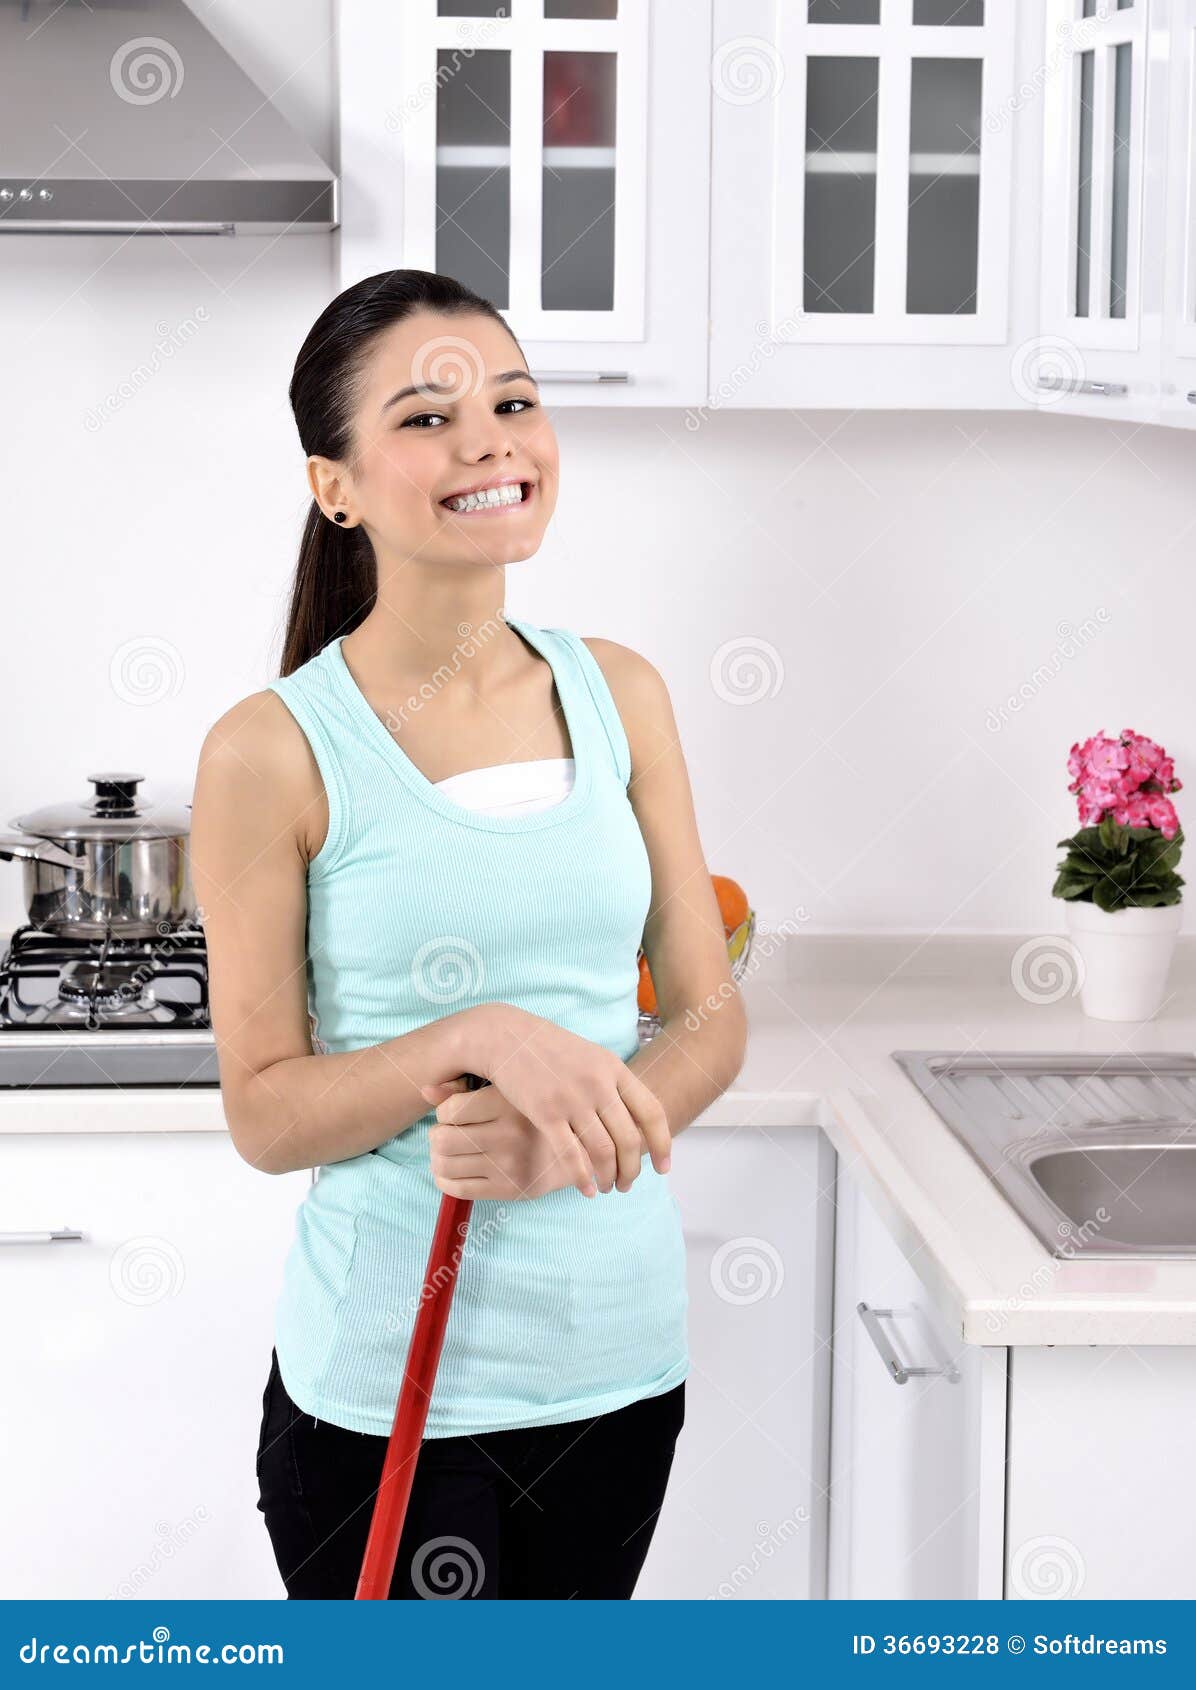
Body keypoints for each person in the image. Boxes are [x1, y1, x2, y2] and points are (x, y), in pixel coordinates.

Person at [189, 269, 748, 1599]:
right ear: (335, 485)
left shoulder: (619, 692)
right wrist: (470, 1038)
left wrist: (574, 1137)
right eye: (428, 418)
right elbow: (266, 1114)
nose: (492, 443)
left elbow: (709, 1018)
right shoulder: (274, 750)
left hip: (618, 1371)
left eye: (512, 402)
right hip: (387, 1393)